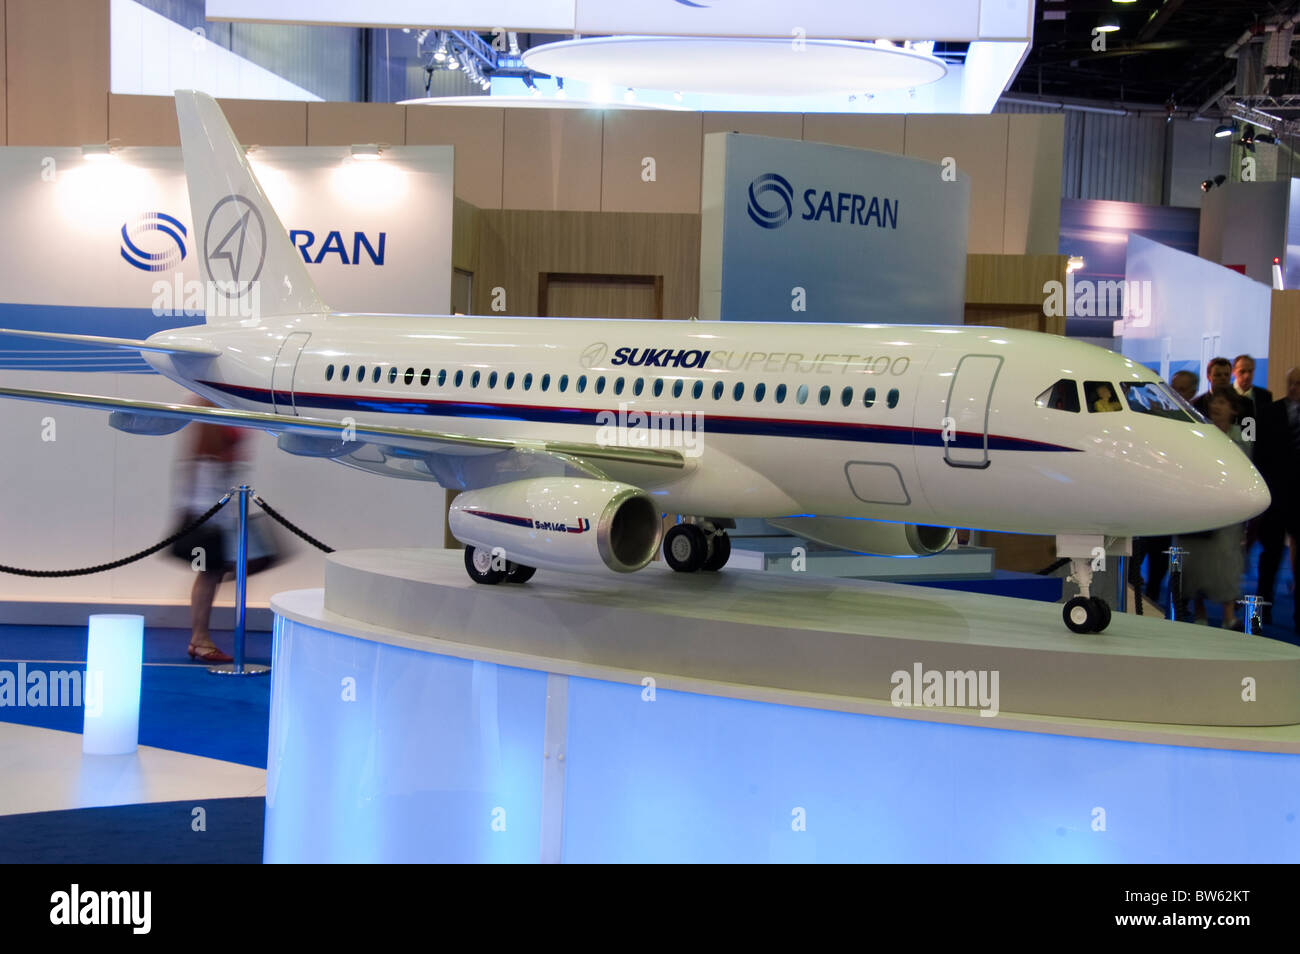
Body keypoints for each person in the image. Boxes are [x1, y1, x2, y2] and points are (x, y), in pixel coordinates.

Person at [173, 401, 275, 661]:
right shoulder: (209, 403)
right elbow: (210, 455)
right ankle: (199, 639)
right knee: (210, 572)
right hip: (209, 501)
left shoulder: (221, 403)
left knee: (213, 572)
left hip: (217, 498)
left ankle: (199, 638)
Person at [1174, 390, 1251, 628]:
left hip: (1230, 510)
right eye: (1214, 402)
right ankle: (1200, 613)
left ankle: (1229, 616)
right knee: (1197, 562)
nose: (1216, 407)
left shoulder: (1243, 436)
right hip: (1200, 507)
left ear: (1233, 409)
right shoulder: (1199, 434)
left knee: (1227, 561)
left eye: (1222, 402)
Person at [1254, 368, 1300, 628]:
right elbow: (1259, 455)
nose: (1294, 388)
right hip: (1276, 496)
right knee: (1269, 557)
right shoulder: (1269, 413)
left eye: (1299, 384)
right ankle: (1263, 611)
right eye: (1291, 383)